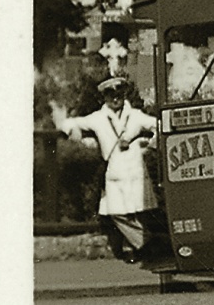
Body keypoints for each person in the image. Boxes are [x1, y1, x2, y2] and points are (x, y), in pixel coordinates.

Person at [53, 77, 157, 262]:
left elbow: (158, 125)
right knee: (116, 213)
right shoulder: (98, 119)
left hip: (135, 172)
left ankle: (133, 251)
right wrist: (74, 134)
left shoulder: (136, 116)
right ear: (104, 98)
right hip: (115, 173)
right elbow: (70, 123)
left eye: (118, 95)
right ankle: (146, 241)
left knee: (136, 213)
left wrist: (146, 145)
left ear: (123, 95)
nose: (115, 100)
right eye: (110, 96)